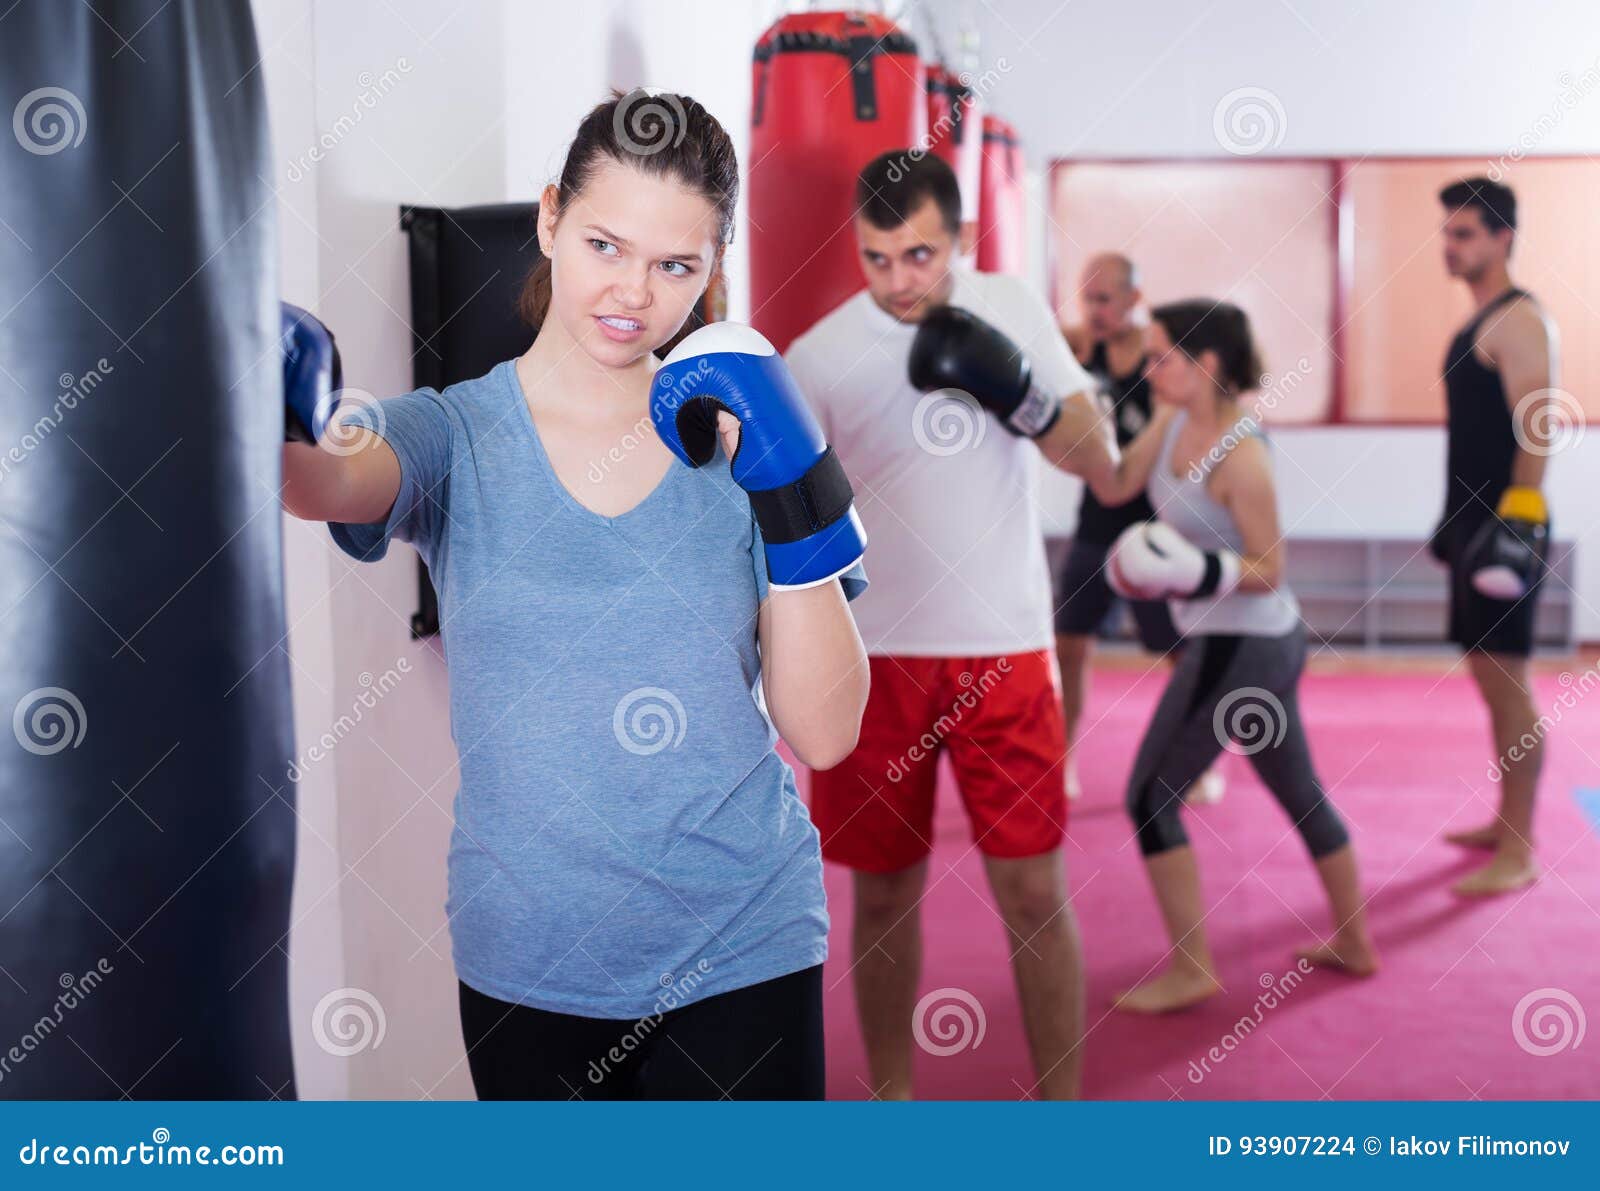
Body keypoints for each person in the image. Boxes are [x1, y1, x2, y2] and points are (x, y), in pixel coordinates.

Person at [280, 89, 870, 1099]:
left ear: (711, 268)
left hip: (741, 940)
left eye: (675, 265)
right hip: (529, 957)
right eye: (605, 244)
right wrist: (257, 391)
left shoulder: (743, 438)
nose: (632, 292)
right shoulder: (453, 433)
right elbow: (328, 479)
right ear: (551, 219)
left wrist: (788, 494)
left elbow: (824, 733)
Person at [784, 151, 1114, 1100]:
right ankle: (892, 1103)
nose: (898, 282)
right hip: (873, 658)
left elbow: (1100, 460)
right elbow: (791, 519)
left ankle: (1063, 1113)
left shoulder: (1012, 309)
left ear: (959, 238)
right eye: (878, 258)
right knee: (881, 895)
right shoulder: (820, 356)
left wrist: (1022, 393)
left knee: (1034, 895)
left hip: (1003, 649)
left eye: (920, 255)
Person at [1089, 300, 1379, 1013]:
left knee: (1150, 795)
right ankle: (1356, 940)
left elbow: (1270, 565)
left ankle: (1192, 968)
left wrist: (1192, 570)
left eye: (1162, 356)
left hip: (1246, 642)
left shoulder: (1242, 454)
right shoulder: (1168, 420)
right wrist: (1050, 417)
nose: (1148, 367)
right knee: (1296, 786)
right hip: (1244, 642)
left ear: (1206, 364)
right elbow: (1116, 483)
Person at [1429, 177, 1558, 896]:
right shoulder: (1477, 322)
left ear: (1503, 237)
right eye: (1448, 233)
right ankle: (1504, 820)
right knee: (1489, 678)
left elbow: (1537, 423)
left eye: (1466, 233)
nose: (1451, 245)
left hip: (1507, 525)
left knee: (1511, 687)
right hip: (1472, 523)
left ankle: (1521, 846)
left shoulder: (1520, 321)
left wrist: (1517, 519)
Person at [1056, 254, 1223, 805]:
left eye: (1106, 299)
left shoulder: (1161, 362)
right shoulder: (1077, 347)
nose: (1095, 310)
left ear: (1133, 299)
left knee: (1176, 651)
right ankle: (1062, 762)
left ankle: (1194, 763)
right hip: (1096, 524)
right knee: (1070, 647)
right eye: (1088, 298)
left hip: (1154, 525)